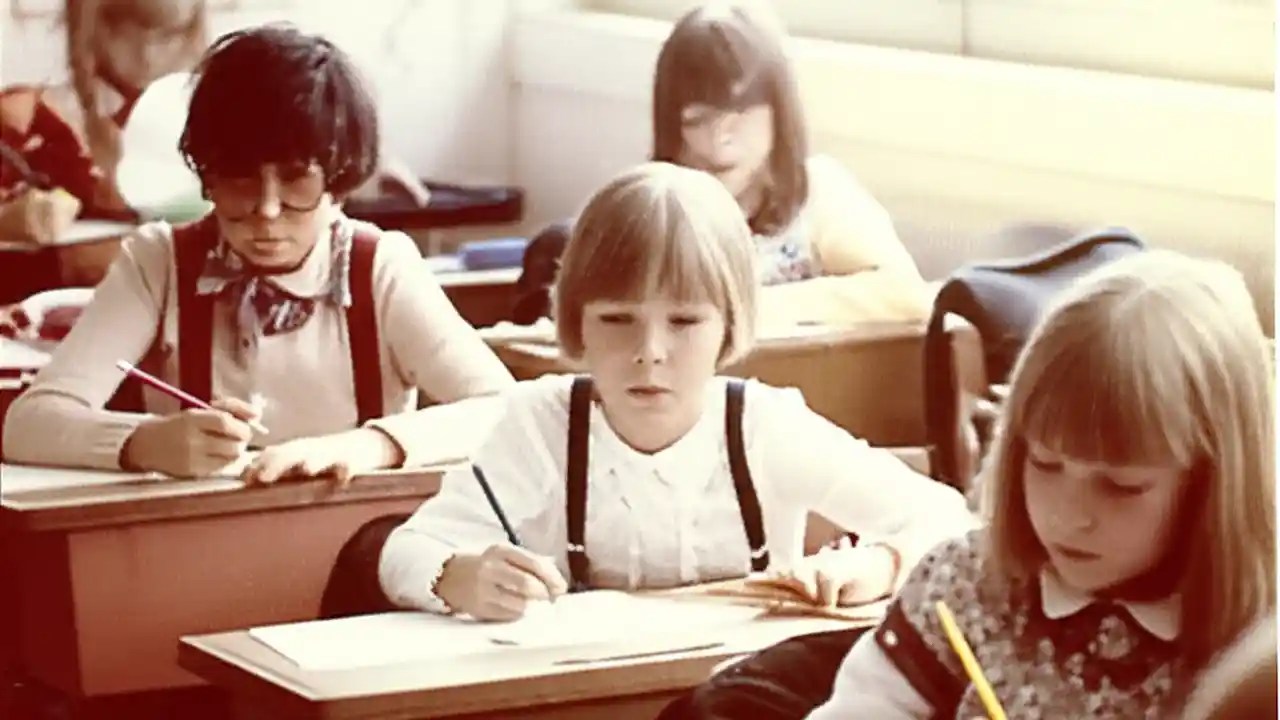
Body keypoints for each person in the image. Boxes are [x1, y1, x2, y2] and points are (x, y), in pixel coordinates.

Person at [376, 161, 975, 620]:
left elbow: (946, 517)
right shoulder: (540, 427)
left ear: (729, 327)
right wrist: (458, 575)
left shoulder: (765, 427)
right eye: (618, 319)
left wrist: (880, 563)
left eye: (684, 322)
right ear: (575, 322)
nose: (650, 351)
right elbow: (406, 550)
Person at [2, 24, 514, 480]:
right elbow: (29, 423)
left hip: (361, 543)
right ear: (205, 175)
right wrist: (142, 443)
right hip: (195, 542)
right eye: (241, 181)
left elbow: (504, 409)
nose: (268, 211)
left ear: (339, 179)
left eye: (295, 181)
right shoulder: (159, 261)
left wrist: (370, 445)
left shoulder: (379, 266)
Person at [805, 250, 1275, 718]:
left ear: (1212, 485)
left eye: (1120, 486)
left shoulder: (1259, 648)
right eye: (1045, 463)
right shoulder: (967, 584)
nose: (1066, 515)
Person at [652, 2, 931, 329]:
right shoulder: (655, 206)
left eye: (739, 114)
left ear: (778, 111)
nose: (719, 140)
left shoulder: (818, 191)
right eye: (696, 119)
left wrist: (746, 309)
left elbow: (904, 295)